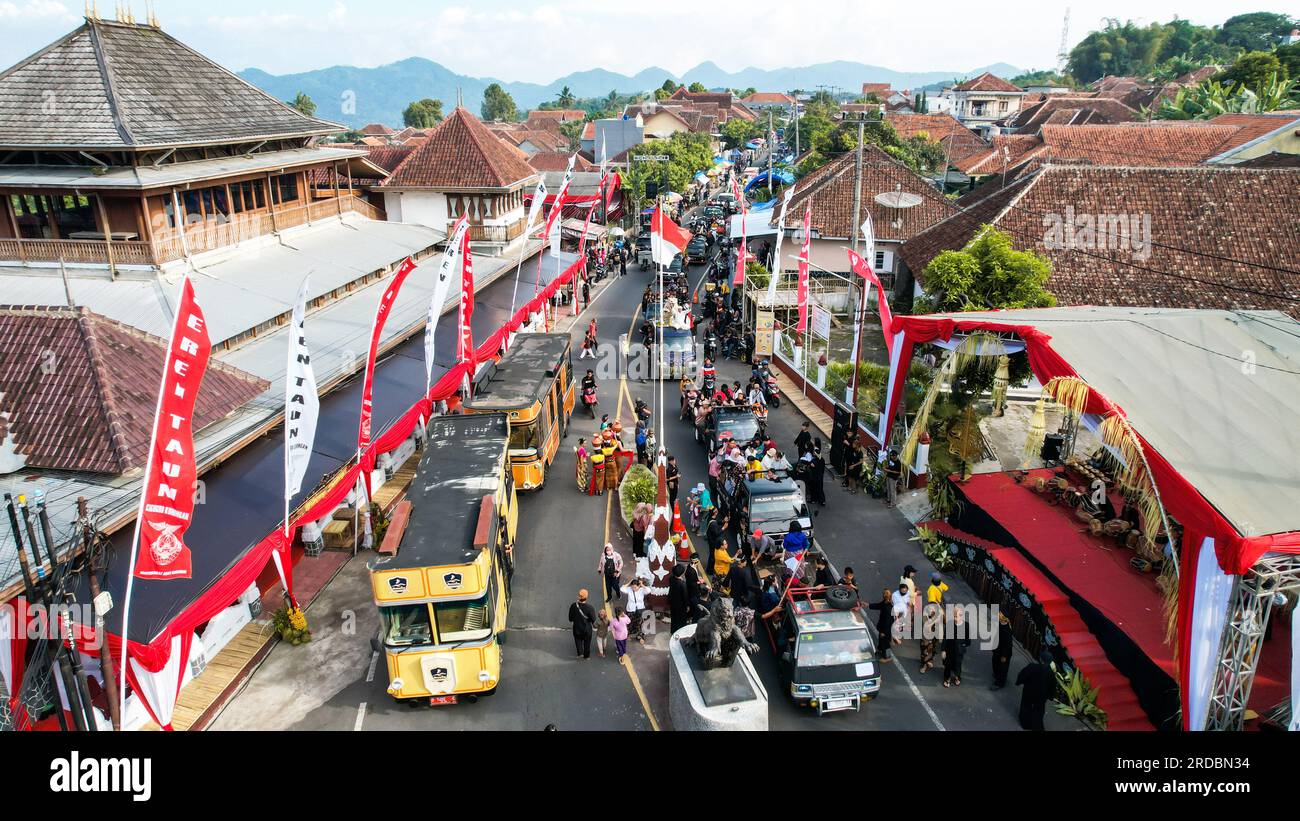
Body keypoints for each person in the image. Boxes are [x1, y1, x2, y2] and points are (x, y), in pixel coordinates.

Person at [1016, 652, 1056, 731]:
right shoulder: (1051, 673)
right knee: (1038, 711)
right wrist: (1050, 696)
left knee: (1026, 706)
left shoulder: (1032, 667)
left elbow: (1023, 675)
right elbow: (1052, 687)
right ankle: (1037, 726)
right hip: (1041, 697)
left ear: (1041, 660)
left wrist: (1019, 682)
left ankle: (1025, 724)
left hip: (1028, 692)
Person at [941, 608, 971, 687]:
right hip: (949, 649)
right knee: (948, 664)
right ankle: (947, 678)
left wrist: (962, 645)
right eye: (954, 616)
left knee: (958, 664)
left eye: (956, 616)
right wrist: (943, 650)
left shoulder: (966, 625)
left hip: (959, 650)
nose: (954, 618)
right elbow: (945, 638)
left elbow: (968, 640)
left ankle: (957, 676)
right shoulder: (949, 624)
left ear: (961, 616)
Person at [621, 577, 652, 644]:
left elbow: (649, 590)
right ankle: (628, 635)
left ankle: (640, 637)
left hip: (640, 609)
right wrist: (629, 582)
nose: (634, 589)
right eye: (632, 587)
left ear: (639, 586)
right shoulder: (629, 589)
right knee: (629, 623)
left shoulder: (642, 590)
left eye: (635, 587)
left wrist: (642, 585)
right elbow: (622, 588)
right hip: (630, 609)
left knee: (640, 623)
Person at [868, 588, 896, 662]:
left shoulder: (888, 607)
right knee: (881, 639)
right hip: (882, 626)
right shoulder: (885, 602)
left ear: (890, 595)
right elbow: (878, 605)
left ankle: (887, 657)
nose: (884, 595)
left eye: (886, 593)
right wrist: (868, 605)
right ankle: (880, 649)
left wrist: (884, 632)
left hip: (886, 629)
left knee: (885, 643)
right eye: (884, 593)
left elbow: (888, 622)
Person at [568, 589, 598, 659]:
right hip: (587, 629)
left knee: (578, 641)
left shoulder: (573, 606)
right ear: (586, 597)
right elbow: (593, 619)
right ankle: (586, 656)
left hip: (577, 628)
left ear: (578, 596)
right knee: (587, 643)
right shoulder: (590, 608)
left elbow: (570, 618)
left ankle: (580, 653)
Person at [991, 611, 1013, 690]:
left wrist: (1004, 656)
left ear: (1004, 618)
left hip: (1004, 652)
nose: (998, 615)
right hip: (998, 648)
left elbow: (1008, 645)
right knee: (995, 661)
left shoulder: (1007, 630)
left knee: (1002, 668)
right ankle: (996, 674)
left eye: (1000, 614)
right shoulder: (1000, 624)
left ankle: (1000, 683)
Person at [918, 603, 942, 674]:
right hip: (926, 635)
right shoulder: (926, 612)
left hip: (934, 636)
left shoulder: (939, 612)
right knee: (924, 650)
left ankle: (925, 665)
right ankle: (924, 662)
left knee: (930, 650)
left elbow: (944, 622)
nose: (932, 611)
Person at [669, 564, 690, 634]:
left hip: (673, 603)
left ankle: (673, 631)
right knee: (681, 620)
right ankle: (680, 633)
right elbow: (685, 596)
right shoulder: (683, 584)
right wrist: (687, 606)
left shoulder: (671, 579)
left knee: (674, 618)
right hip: (681, 605)